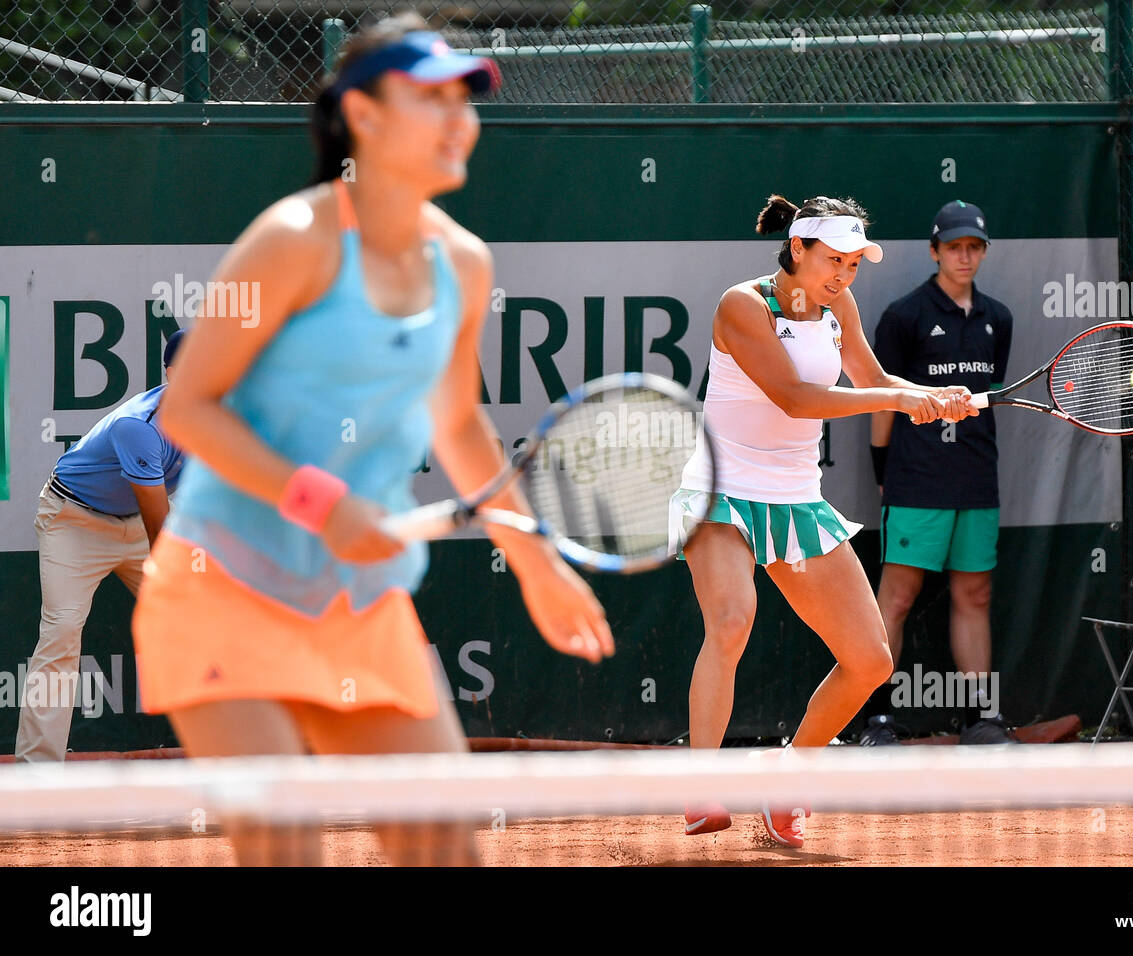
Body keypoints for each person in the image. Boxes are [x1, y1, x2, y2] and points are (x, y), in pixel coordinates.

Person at [131, 15, 613, 866]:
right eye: (430, 96)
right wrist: (320, 502)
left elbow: (457, 423)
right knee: (285, 849)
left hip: (360, 608)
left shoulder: (464, 264)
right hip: (222, 594)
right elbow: (189, 408)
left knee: (444, 849)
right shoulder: (293, 240)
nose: (459, 117)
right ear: (364, 112)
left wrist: (538, 563)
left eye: (465, 99)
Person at [671, 194, 975, 848]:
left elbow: (868, 374)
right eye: (833, 259)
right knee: (731, 621)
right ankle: (699, 787)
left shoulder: (840, 305)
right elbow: (797, 397)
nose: (843, 274)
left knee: (869, 659)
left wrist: (928, 397)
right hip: (721, 489)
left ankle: (788, 776)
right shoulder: (742, 305)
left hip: (795, 498)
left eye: (854, 264)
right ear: (798, 249)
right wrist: (896, 396)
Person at [861, 200, 1016, 746]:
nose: (965, 256)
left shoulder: (998, 319)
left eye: (974, 247)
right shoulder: (903, 317)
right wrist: (883, 467)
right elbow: (885, 400)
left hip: (976, 479)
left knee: (974, 594)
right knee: (898, 597)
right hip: (916, 478)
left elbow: (984, 398)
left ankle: (980, 719)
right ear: (935, 252)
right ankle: (877, 718)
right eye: (954, 247)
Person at [16, 329, 187, 763]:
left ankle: (238, 761)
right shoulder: (139, 427)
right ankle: (37, 775)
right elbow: (158, 526)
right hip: (74, 523)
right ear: (170, 373)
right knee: (61, 633)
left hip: (141, 519)